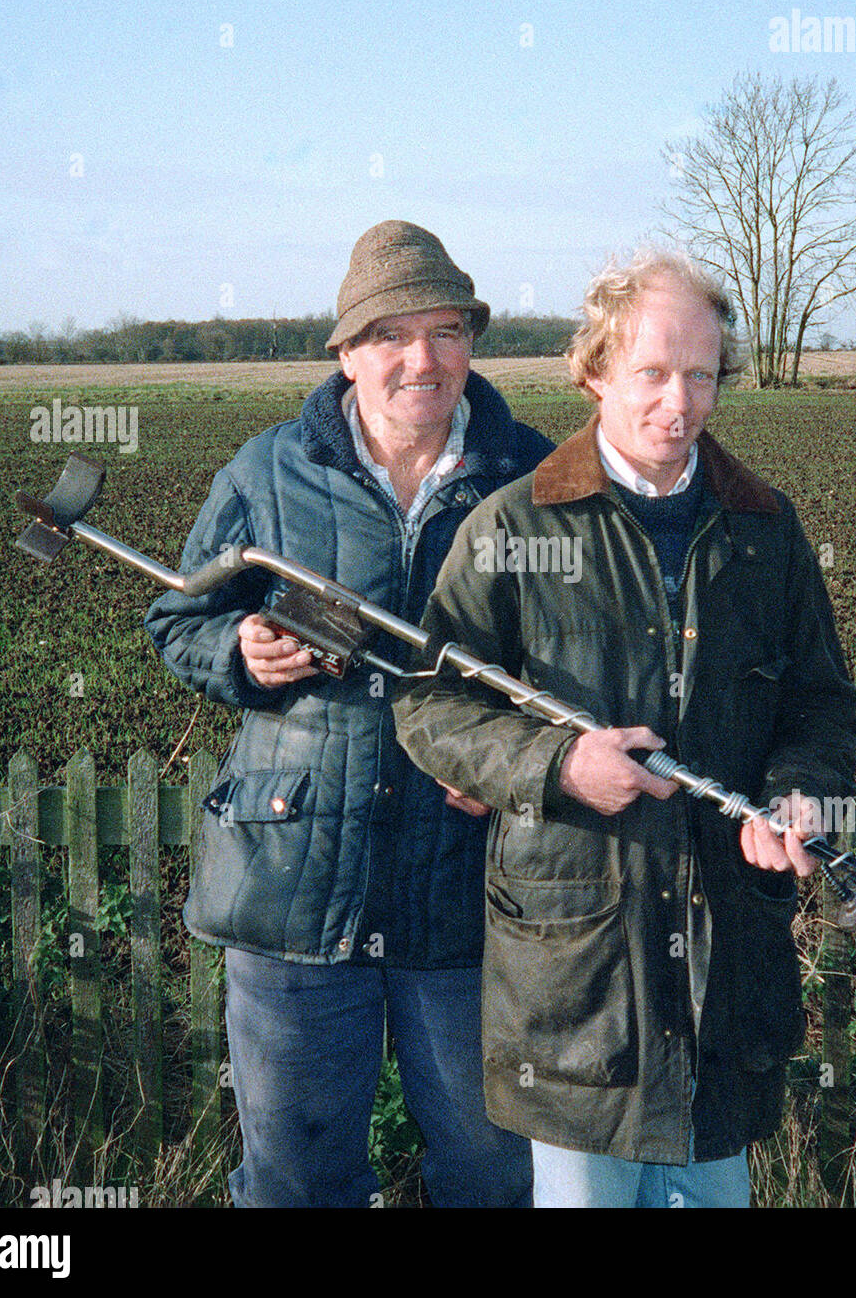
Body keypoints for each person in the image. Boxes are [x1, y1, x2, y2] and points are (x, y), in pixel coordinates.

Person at [393, 249, 856, 1208]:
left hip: (724, 977)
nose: (677, 402)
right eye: (650, 372)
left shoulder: (763, 530)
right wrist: (557, 765)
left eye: (700, 375)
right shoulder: (512, 525)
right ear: (595, 370)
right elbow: (428, 703)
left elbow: (820, 702)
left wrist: (797, 790)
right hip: (577, 995)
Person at [144, 220, 551, 1207]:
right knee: (297, 1179)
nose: (423, 358)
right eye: (391, 336)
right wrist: (238, 651)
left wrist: (515, 763)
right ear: (347, 352)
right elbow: (177, 618)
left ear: (472, 342)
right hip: (290, 891)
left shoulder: (538, 480)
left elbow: (587, 672)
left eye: (446, 330)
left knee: (495, 1172)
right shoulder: (268, 471)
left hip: (469, 900)